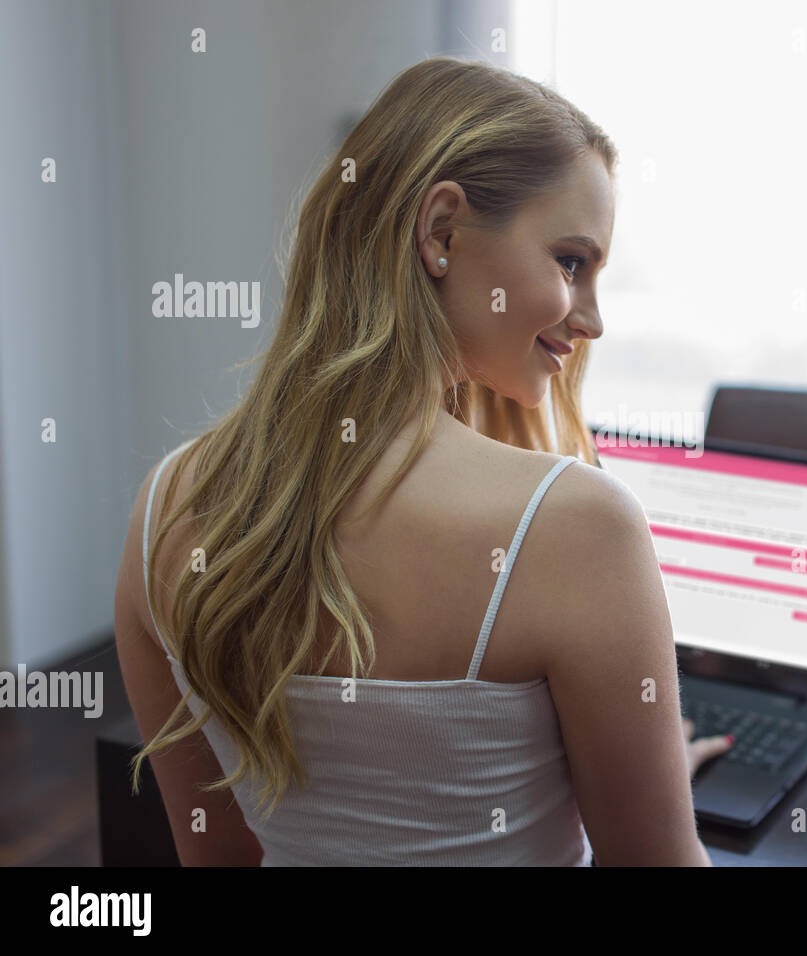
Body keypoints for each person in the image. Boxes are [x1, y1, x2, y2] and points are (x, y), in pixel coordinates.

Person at [113, 56, 732, 866]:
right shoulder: (576, 527)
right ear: (441, 232)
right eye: (571, 262)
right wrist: (657, 797)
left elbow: (217, 857)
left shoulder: (163, 508)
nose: (592, 320)